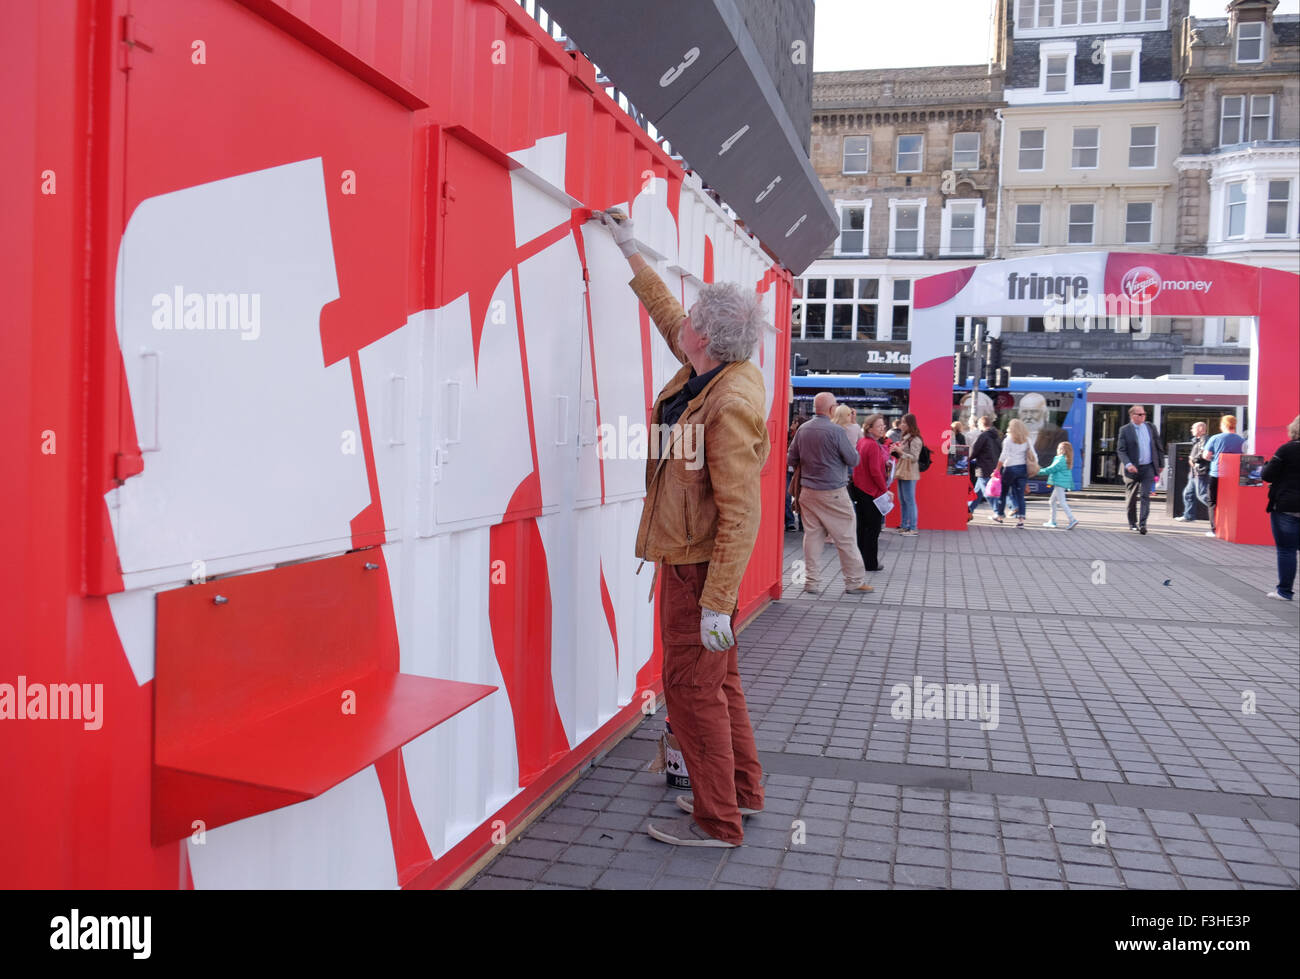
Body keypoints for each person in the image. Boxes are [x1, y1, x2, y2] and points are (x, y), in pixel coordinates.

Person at [598, 210, 766, 849]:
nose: (684, 322)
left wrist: (718, 603)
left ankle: (716, 821)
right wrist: (628, 249)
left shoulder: (728, 404)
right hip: (693, 563)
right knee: (718, 683)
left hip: (698, 571)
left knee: (691, 692)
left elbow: (742, 512)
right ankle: (741, 796)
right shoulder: (713, 369)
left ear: (707, 338)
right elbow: (668, 314)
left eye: (693, 320)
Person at [788, 392, 875, 595]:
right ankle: (854, 581)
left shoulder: (803, 429)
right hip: (833, 491)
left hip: (808, 491)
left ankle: (811, 582)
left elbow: (791, 458)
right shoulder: (837, 431)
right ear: (831, 410)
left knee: (812, 535)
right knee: (845, 537)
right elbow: (853, 460)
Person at [1261, 414, 1300, 601]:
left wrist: (1267, 465)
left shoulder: (1286, 449)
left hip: (1287, 505)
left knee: (1287, 550)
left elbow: (1267, 475)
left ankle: (1284, 591)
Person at [1116, 404, 1165, 535]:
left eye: (1144, 414)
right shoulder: (1125, 430)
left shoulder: (1150, 427)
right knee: (1131, 497)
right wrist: (1128, 464)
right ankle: (1132, 523)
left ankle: (1143, 524)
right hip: (1132, 469)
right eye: (1140, 414)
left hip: (1148, 467)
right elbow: (1121, 450)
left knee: (1145, 496)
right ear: (1133, 416)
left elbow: (1158, 445)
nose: (1143, 416)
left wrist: (1161, 464)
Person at [849, 413, 890, 573]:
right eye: (879, 426)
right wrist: (884, 490)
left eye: (883, 426)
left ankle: (860, 560)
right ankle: (870, 562)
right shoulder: (872, 445)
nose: (882, 428)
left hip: (860, 489)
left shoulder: (862, 442)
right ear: (870, 428)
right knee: (873, 529)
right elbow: (874, 471)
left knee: (862, 528)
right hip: (871, 492)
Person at [1201, 414, 1245, 538]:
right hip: (1233, 476)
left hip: (1217, 473)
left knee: (1212, 501)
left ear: (1224, 425)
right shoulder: (1241, 440)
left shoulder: (1215, 438)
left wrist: (1214, 457)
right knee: (1230, 502)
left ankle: (1215, 529)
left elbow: (1206, 455)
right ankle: (1231, 527)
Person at [995, 417, 1037, 528]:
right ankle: (1021, 520)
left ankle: (999, 516)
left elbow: (1003, 455)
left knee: (1003, 493)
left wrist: (997, 469)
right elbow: (1033, 454)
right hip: (1022, 469)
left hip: (1010, 468)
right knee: (1020, 495)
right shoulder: (1027, 439)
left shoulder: (1008, 439)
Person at [889, 413, 923, 536]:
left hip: (910, 473)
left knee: (909, 500)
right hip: (903, 471)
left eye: (904, 422)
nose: (901, 425)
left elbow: (914, 458)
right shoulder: (905, 438)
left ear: (910, 424)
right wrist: (896, 451)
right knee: (903, 500)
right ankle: (904, 525)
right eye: (901, 422)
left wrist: (900, 452)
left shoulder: (915, 439)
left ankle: (913, 528)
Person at [967, 414, 1002, 521]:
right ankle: (968, 510)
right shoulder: (996, 436)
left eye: (978, 424)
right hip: (992, 466)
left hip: (982, 467)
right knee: (977, 491)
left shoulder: (983, 436)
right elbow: (1000, 450)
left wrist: (967, 459)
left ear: (982, 424)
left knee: (987, 491)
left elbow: (975, 450)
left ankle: (998, 513)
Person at [1038, 441, 1078, 530]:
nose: (1057, 450)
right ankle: (1052, 521)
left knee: (1062, 502)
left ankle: (1072, 519)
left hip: (1060, 484)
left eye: (1059, 448)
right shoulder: (1066, 459)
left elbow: (1052, 469)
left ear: (1063, 450)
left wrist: (1038, 471)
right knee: (1052, 501)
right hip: (1061, 483)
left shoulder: (1060, 459)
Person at [1177, 421, 1212, 522]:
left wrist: (1193, 459)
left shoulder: (1204, 440)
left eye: (1193, 428)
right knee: (1188, 494)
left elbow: (1203, 453)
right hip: (1194, 472)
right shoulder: (1197, 440)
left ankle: (1217, 509)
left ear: (1201, 429)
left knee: (1202, 495)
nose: (1191, 430)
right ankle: (1188, 516)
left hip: (1200, 472)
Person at [786, 419, 802, 531]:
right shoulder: (788, 436)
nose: (791, 424)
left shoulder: (802, 437)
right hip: (787, 469)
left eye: (794, 422)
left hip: (798, 470)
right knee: (786, 496)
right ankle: (789, 521)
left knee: (800, 495)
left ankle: (801, 522)